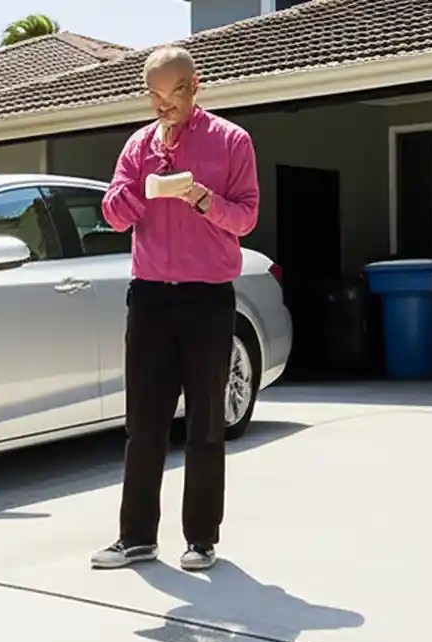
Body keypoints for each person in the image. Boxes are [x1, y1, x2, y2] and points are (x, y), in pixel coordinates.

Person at [90, 45, 259, 572]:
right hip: (150, 298)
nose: (163, 106)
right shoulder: (138, 146)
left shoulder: (232, 141)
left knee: (206, 423)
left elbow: (247, 218)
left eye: (173, 94)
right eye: (154, 96)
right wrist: (144, 191)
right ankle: (136, 536)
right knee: (144, 421)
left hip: (208, 297)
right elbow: (114, 214)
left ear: (195, 86)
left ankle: (201, 539)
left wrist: (203, 200)